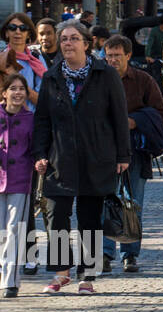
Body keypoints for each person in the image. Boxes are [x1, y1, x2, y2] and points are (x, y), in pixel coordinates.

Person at [33, 21, 130, 295]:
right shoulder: (52, 77)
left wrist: (123, 154)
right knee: (56, 215)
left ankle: (87, 275)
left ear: (86, 44)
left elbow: (119, 117)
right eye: (64, 39)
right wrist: (40, 153)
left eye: (74, 38)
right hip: (60, 158)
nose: (67, 43)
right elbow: (42, 120)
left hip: (96, 156)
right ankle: (61, 273)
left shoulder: (105, 74)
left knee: (89, 217)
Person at [102, 35, 163, 273]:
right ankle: (105, 253)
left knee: (133, 202)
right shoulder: (98, 79)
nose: (112, 60)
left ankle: (130, 254)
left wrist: (135, 122)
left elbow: (161, 113)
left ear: (128, 56)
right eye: (109, 55)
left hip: (135, 150)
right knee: (106, 201)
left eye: (117, 56)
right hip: (104, 149)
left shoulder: (143, 80)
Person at [0, 74, 34, 297]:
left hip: (21, 178)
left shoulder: (32, 118)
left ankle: (10, 281)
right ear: (4, 93)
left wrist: (40, 162)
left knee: (13, 229)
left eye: (22, 88)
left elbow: (37, 148)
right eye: (13, 88)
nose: (18, 93)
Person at [0, 12, 44, 109]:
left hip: (31, 121)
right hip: (5, 121)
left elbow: (43, 101)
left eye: (23, 28)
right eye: (12, 27)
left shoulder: (37, 59)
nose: (18, 31)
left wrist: (18, 84)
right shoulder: (1, 58)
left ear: (28, 34)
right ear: (6, 33)